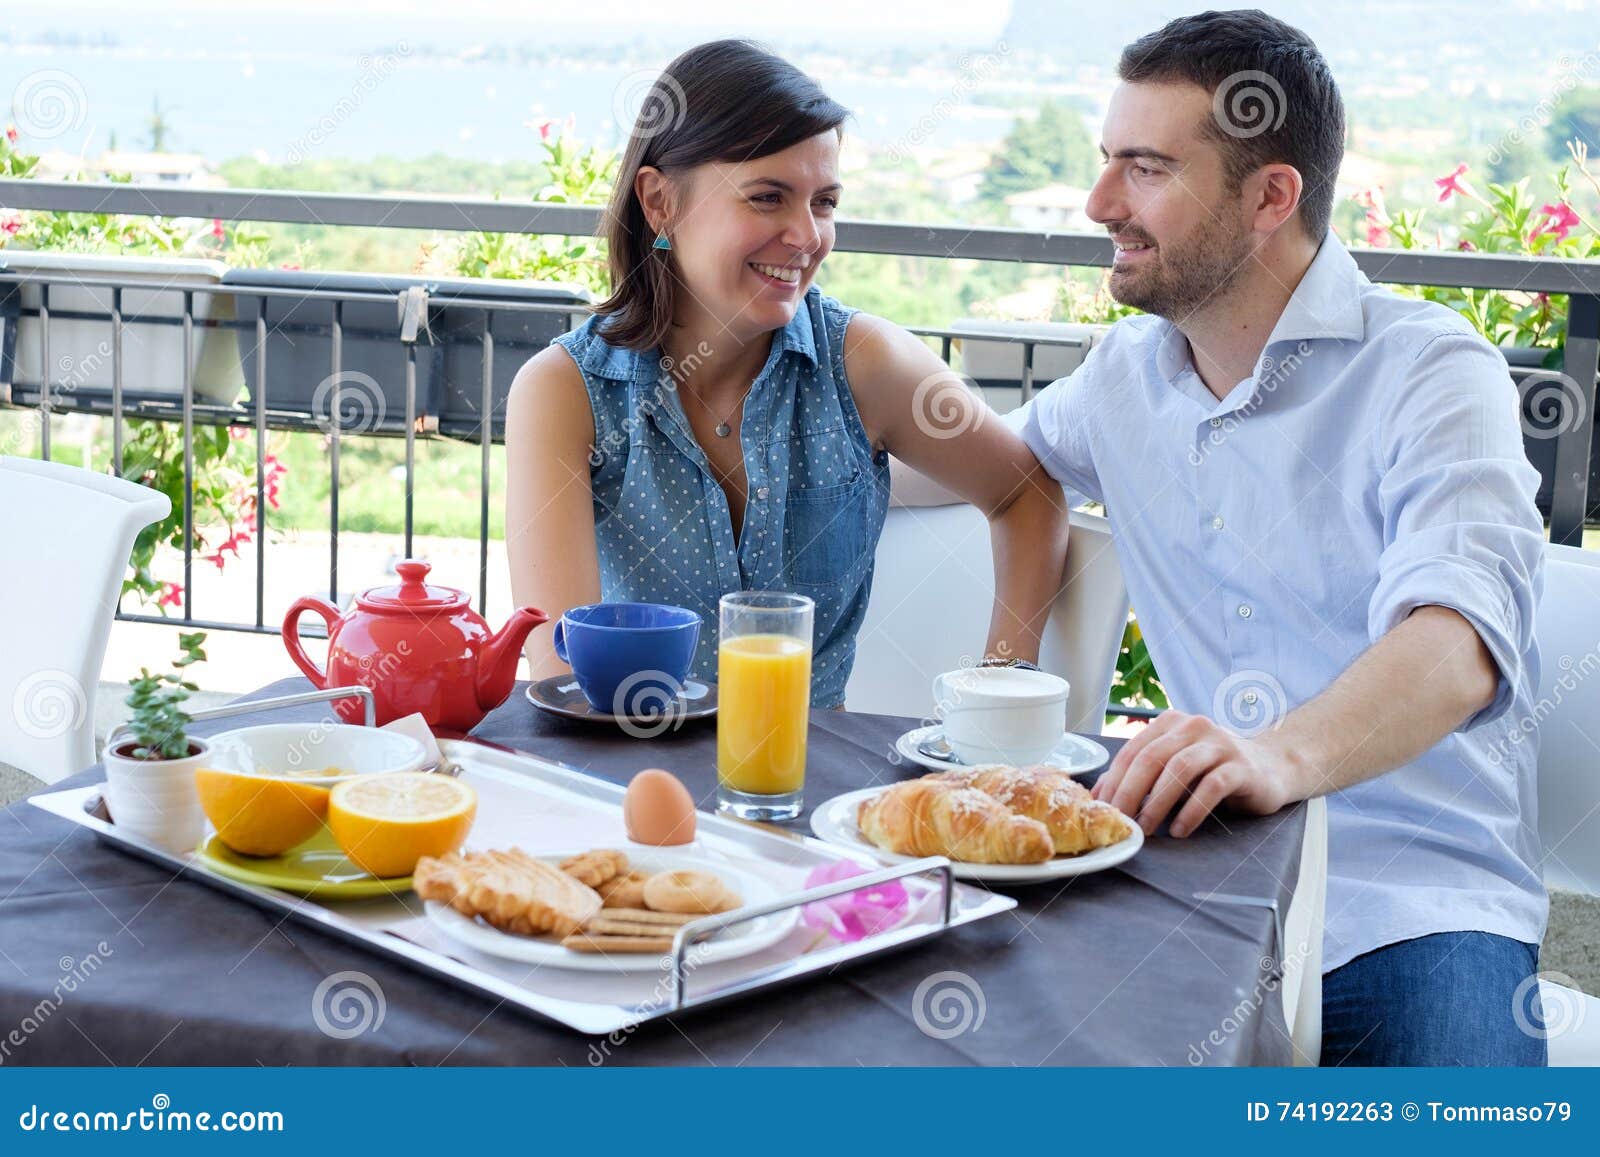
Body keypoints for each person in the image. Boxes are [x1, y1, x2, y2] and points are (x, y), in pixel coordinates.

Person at [1010, 10, 1548, 1065]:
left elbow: (1459, 642)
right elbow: (972, 464)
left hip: (1412, 902)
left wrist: (1276, 753)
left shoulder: (1433, 371)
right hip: (1195, 881)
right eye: (1107, 160)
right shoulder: (1119, 380)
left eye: (1145, 168)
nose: (1100, 202)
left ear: (1269, 197)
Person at [506, 39, 1068, 709]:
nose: (807, 237)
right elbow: (564, 679)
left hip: (814, 768)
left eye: (823, 202)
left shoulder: (866, 364)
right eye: (768, 197)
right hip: (626, 762)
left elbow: (1027, 494)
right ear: (660, 203)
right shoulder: (565, 391)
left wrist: (1003, 688)